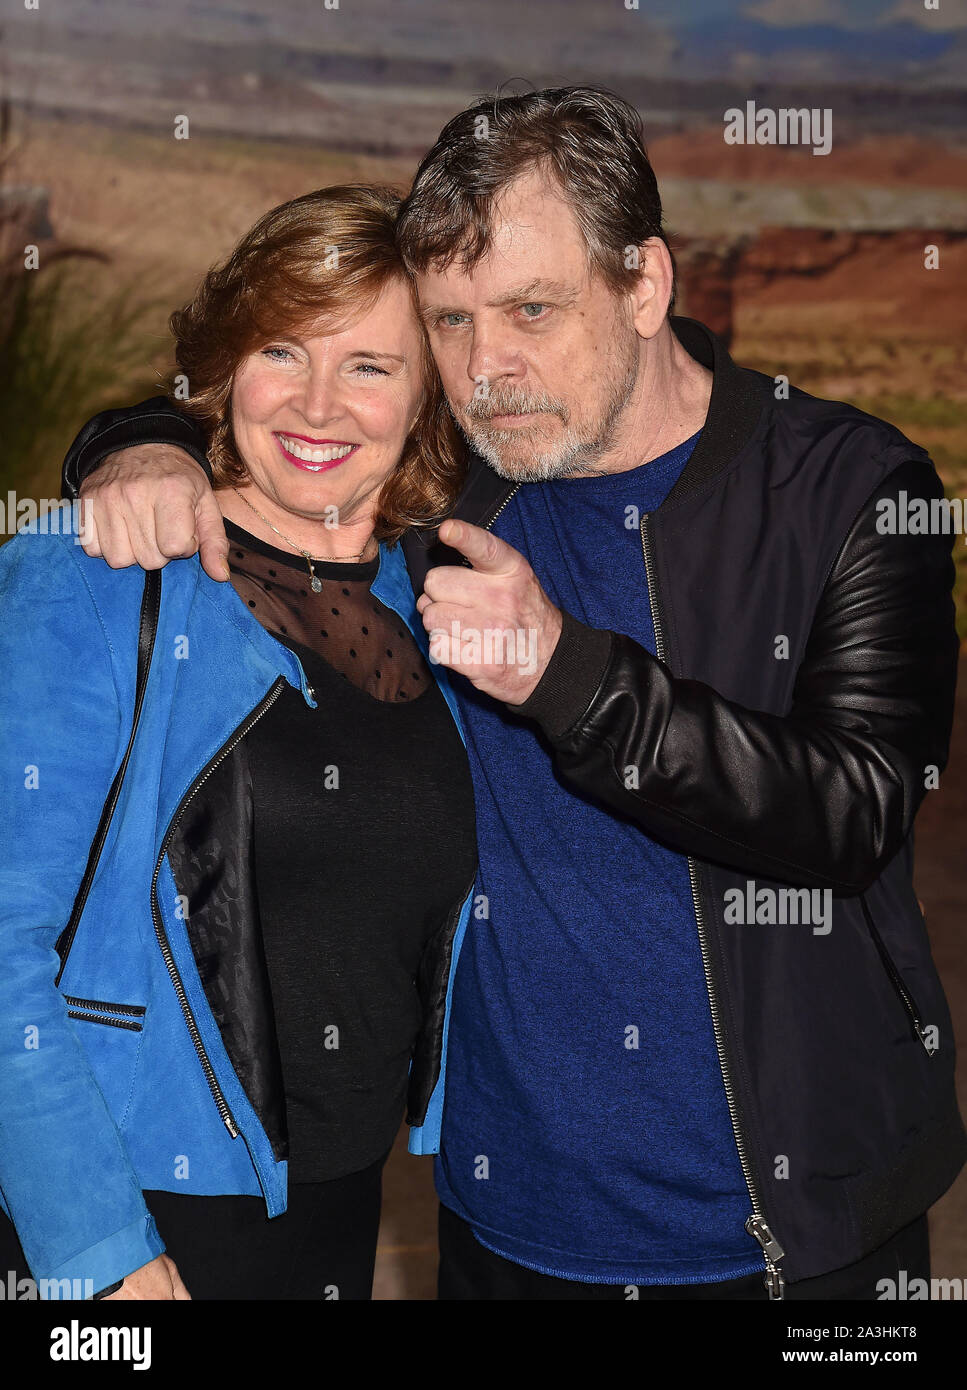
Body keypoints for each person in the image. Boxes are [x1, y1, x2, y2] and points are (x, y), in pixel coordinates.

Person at [59, 86, 965, 1301]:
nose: (488, 368)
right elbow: (281, 414)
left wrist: (567, 676)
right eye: (451, 321)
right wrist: (136, 442)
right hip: (506, 1225)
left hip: (798, 1238)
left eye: (533, 309)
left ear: (645, 285)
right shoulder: (447, 491)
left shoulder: (846, 490)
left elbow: (855, 807)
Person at [0, 184, 478, 1300]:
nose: (319, 405)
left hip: (340, 1204)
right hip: (133, 1206)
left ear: (427, 399)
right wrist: (96, 1251)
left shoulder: (441, 603)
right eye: (282, 350)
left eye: (370, 365)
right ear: (225, 370)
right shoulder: (96, 575)